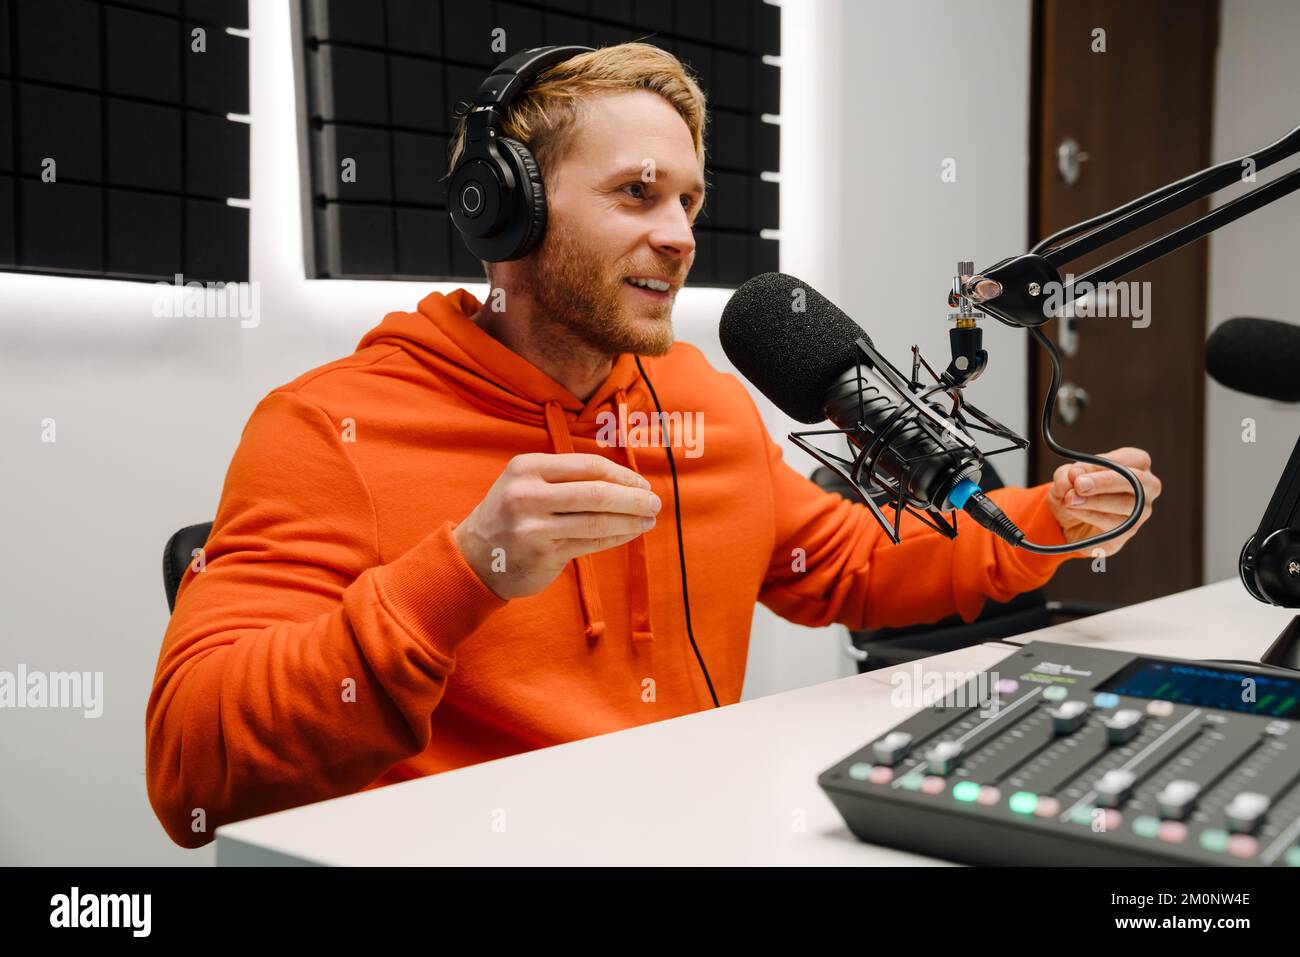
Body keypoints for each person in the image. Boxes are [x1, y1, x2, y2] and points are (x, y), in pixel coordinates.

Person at [146, 43, 1161, 848]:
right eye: (636, 194)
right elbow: (192, 772)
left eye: (688, 201)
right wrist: (460, 573)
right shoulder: (329, 428)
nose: (679, 234)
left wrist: (1045, 519)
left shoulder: (698, 401)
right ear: (504, 211)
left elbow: (842, 567)